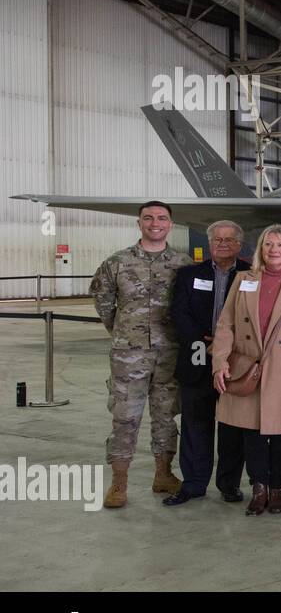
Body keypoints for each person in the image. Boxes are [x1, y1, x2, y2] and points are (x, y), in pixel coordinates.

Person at [90, 201, 192, 508]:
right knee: (125, 417)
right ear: (139, 223)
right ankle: (118, 484)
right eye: (148, 218)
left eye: (161, 218)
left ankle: (163, 474)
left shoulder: (182, 264)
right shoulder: (116, 263)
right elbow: (104, 304)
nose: (155, 222)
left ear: (170, 224)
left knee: (167, 416)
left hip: (170, 353)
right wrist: (124, 334)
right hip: (128, 356)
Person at [212, 225, 281, 516]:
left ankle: (277, 489)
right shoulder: (243, 279)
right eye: (268, 244)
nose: (274, 250)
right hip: (246, 368)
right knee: (251, 434)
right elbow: (225, 324)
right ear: (261, 249)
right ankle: (259, 488)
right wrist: (220, 362)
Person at [164, 220, 250, 506]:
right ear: (209, 243)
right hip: (197, 357)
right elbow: (180, 313)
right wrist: (207, 343)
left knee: (231, 426)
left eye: (229, 240)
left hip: (234, 362)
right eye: (217, 239)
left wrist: (226, 346)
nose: (222, 244)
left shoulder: (251, 276)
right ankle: (194, 483)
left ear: (239, 244)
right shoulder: (189, 274)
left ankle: (229, 484)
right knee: (195, 423)